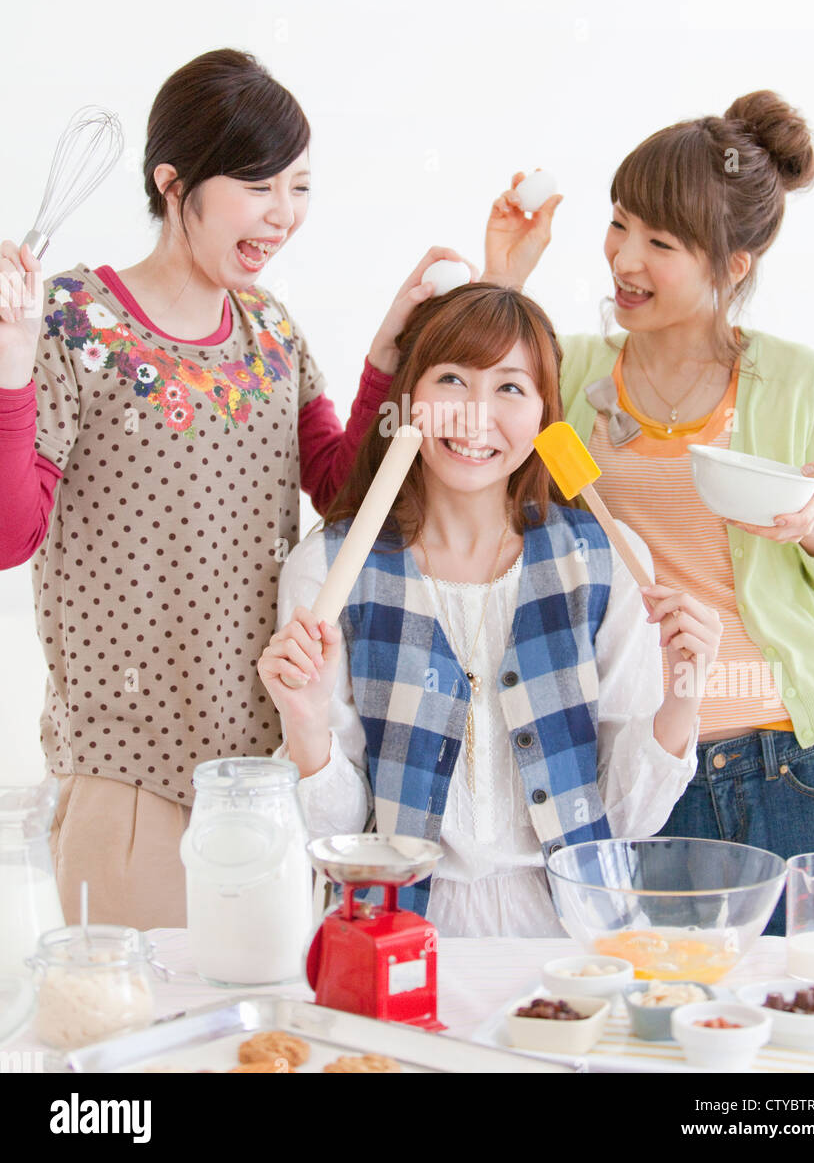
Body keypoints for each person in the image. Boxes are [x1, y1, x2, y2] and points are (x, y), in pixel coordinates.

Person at [0, 47, 470, 929]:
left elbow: (338, 491)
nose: (283, 214)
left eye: (298, 187)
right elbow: (7, 537)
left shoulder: (269, 329)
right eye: (259, 187)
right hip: (128, 775)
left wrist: (386, 354)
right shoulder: (68, 322)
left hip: (265, 783)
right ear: (174, 185)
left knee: (261, 1055)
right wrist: (10, 376)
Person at [483, 92, 814, 935]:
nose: (625, 258)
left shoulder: (798, 381)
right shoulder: (572, 371)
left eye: (661, 243)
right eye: (620, 225)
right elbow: (470, 423)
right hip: (647, 761)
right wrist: (504, 279)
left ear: (734, 265)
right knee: (656, 1024)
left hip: (800, 754)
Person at [259, 284, 722, 936]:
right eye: (451, 379)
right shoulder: (329, 570)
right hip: (397, 931)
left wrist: (682, 695)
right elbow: (334, 836)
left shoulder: (608, 562)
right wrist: (304, 726)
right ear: (409, 400)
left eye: (510, 388)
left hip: (576, 934)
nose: (476, 417)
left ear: (543, 415)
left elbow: (624, 823)